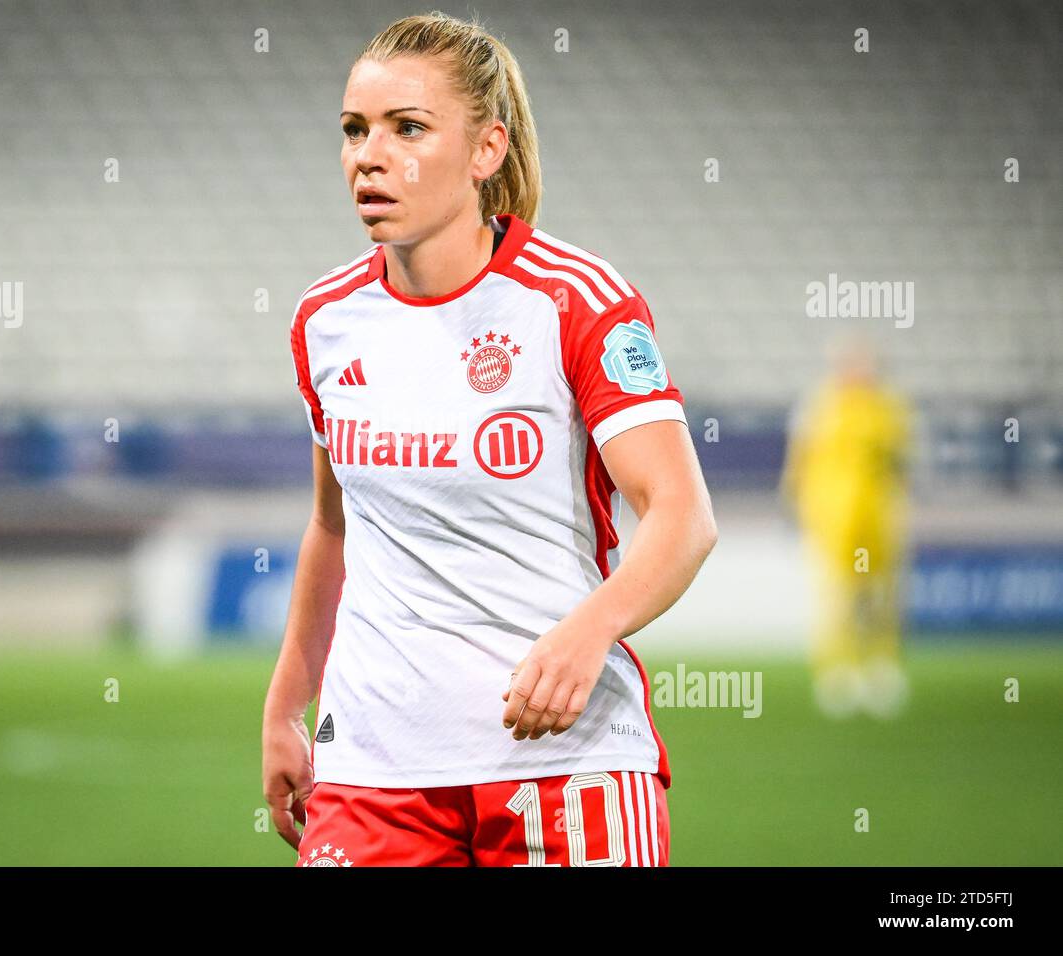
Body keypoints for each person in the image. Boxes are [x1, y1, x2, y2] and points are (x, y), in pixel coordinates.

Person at [263, 12, 717, 867]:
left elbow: (682, 517)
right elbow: (333, 526)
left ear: (486, 150)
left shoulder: (575, 299)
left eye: (409, 128)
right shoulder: (325, 321)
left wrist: (586, 637)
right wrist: (290, 703)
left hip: (567, 765)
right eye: (356, 130)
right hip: (372, 773)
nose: (370, 155)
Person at [781, 332, 913, 719]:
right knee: (837, 595)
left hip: (878, 516)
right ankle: (838, 672)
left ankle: (879, 668)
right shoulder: (821, 405)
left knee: (879, 596)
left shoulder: (888, 407)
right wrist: (794, 502)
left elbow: (899, 464)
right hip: (833, 517)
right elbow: (800, 459)